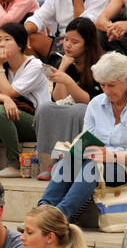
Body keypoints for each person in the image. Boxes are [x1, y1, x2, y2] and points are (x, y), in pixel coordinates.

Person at [37, 51, 127, 223]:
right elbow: (88, 141)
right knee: (73, 157)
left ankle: (58, 217)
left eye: (112, 85)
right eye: (102, 85)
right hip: (100, 160)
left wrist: (111, 156)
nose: (107, 91)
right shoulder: (96, 103)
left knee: (94, 166)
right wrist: (75, 147)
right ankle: (43, 209)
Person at [0, 23, 52, 177]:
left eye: (7, 39)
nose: (1, 44)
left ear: (20, 44)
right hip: (13, 121)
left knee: (1, 112)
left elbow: (11, 92)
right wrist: (4, 98)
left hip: (37, 124)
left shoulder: (35, 65)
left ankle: (14, 164)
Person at [34, 18, 103, 172]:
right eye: (65, 39)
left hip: (93, 110)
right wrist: (62, 69)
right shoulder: (64, 61)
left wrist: (69, 82)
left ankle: (70, 160)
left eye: (75, 42)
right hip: (70, 106)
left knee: (78, 110)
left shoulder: (99, 64)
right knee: (46, 108)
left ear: (87, 44)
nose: (67, 45)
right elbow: (59, 98)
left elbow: (90, 102)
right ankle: (54, 159)